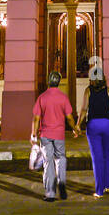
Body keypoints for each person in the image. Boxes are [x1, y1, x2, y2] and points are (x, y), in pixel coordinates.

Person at [31, 71, 80, 202]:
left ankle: (50, 193)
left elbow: (36, 118)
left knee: (48, 162)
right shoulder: (63, 97)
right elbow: (69, 117)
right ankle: (62, 182)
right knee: (61, 158)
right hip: (59, 135)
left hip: (46, 135)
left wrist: (33, 134)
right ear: (58, 82)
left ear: (48, 81)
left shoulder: (42, 97)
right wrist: (75, 129)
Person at [77, 60, 109, 198]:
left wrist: (78, 124)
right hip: (108, 125)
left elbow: (84, 109)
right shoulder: (108, 91)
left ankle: (99, 191)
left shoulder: (88, 91)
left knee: (97, 158)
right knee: (106, 155)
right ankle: (107, 185)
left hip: (93, 126)